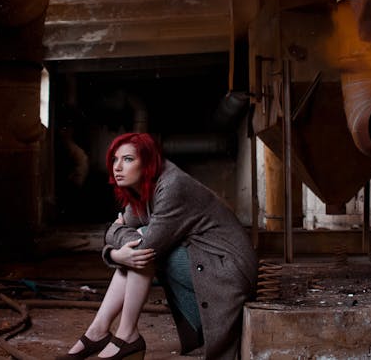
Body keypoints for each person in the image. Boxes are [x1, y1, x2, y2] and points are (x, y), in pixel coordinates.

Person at [59, 133, 257, 360]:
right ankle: (99, 330)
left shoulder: (173, 186)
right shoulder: (144, 188)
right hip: (207, 261)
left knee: (142, 248)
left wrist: (115, 253)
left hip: (228, 269)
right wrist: (117, 247)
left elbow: (141, 244)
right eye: (115, 159)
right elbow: (115, 231)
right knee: (138, 246)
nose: (118, 167)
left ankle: (125, 335)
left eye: (128, 159)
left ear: (148, 161)